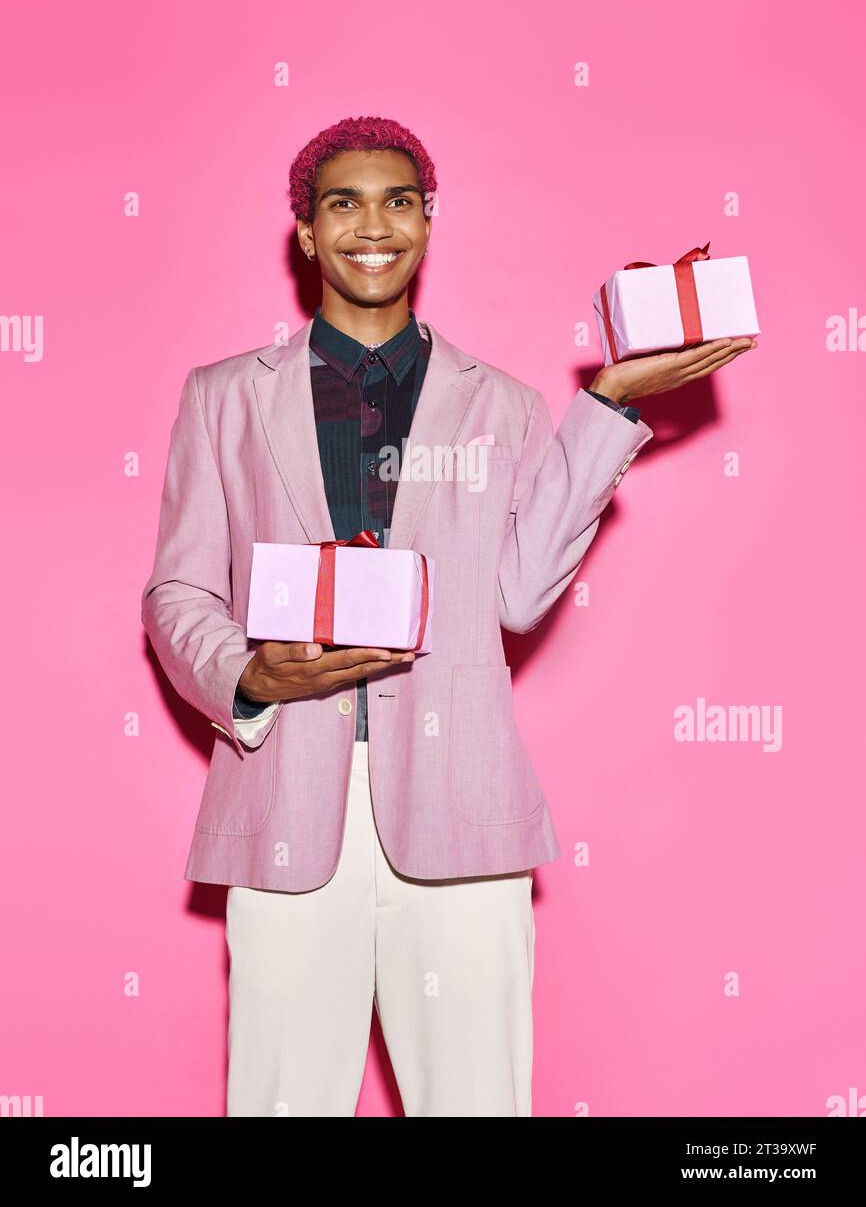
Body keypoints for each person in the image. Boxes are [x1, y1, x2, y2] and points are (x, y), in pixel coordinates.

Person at [141, 115, 755, 1117]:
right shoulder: (222, 399)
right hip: (285, 807)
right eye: (341, 202)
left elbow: (515, 596)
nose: (369, 224)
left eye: (396, 200)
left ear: (428, 223)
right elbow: (176, 591)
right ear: (304, 232)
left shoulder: (503, 406)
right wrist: (250, 677)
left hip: (461, 810)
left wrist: (606, 403)